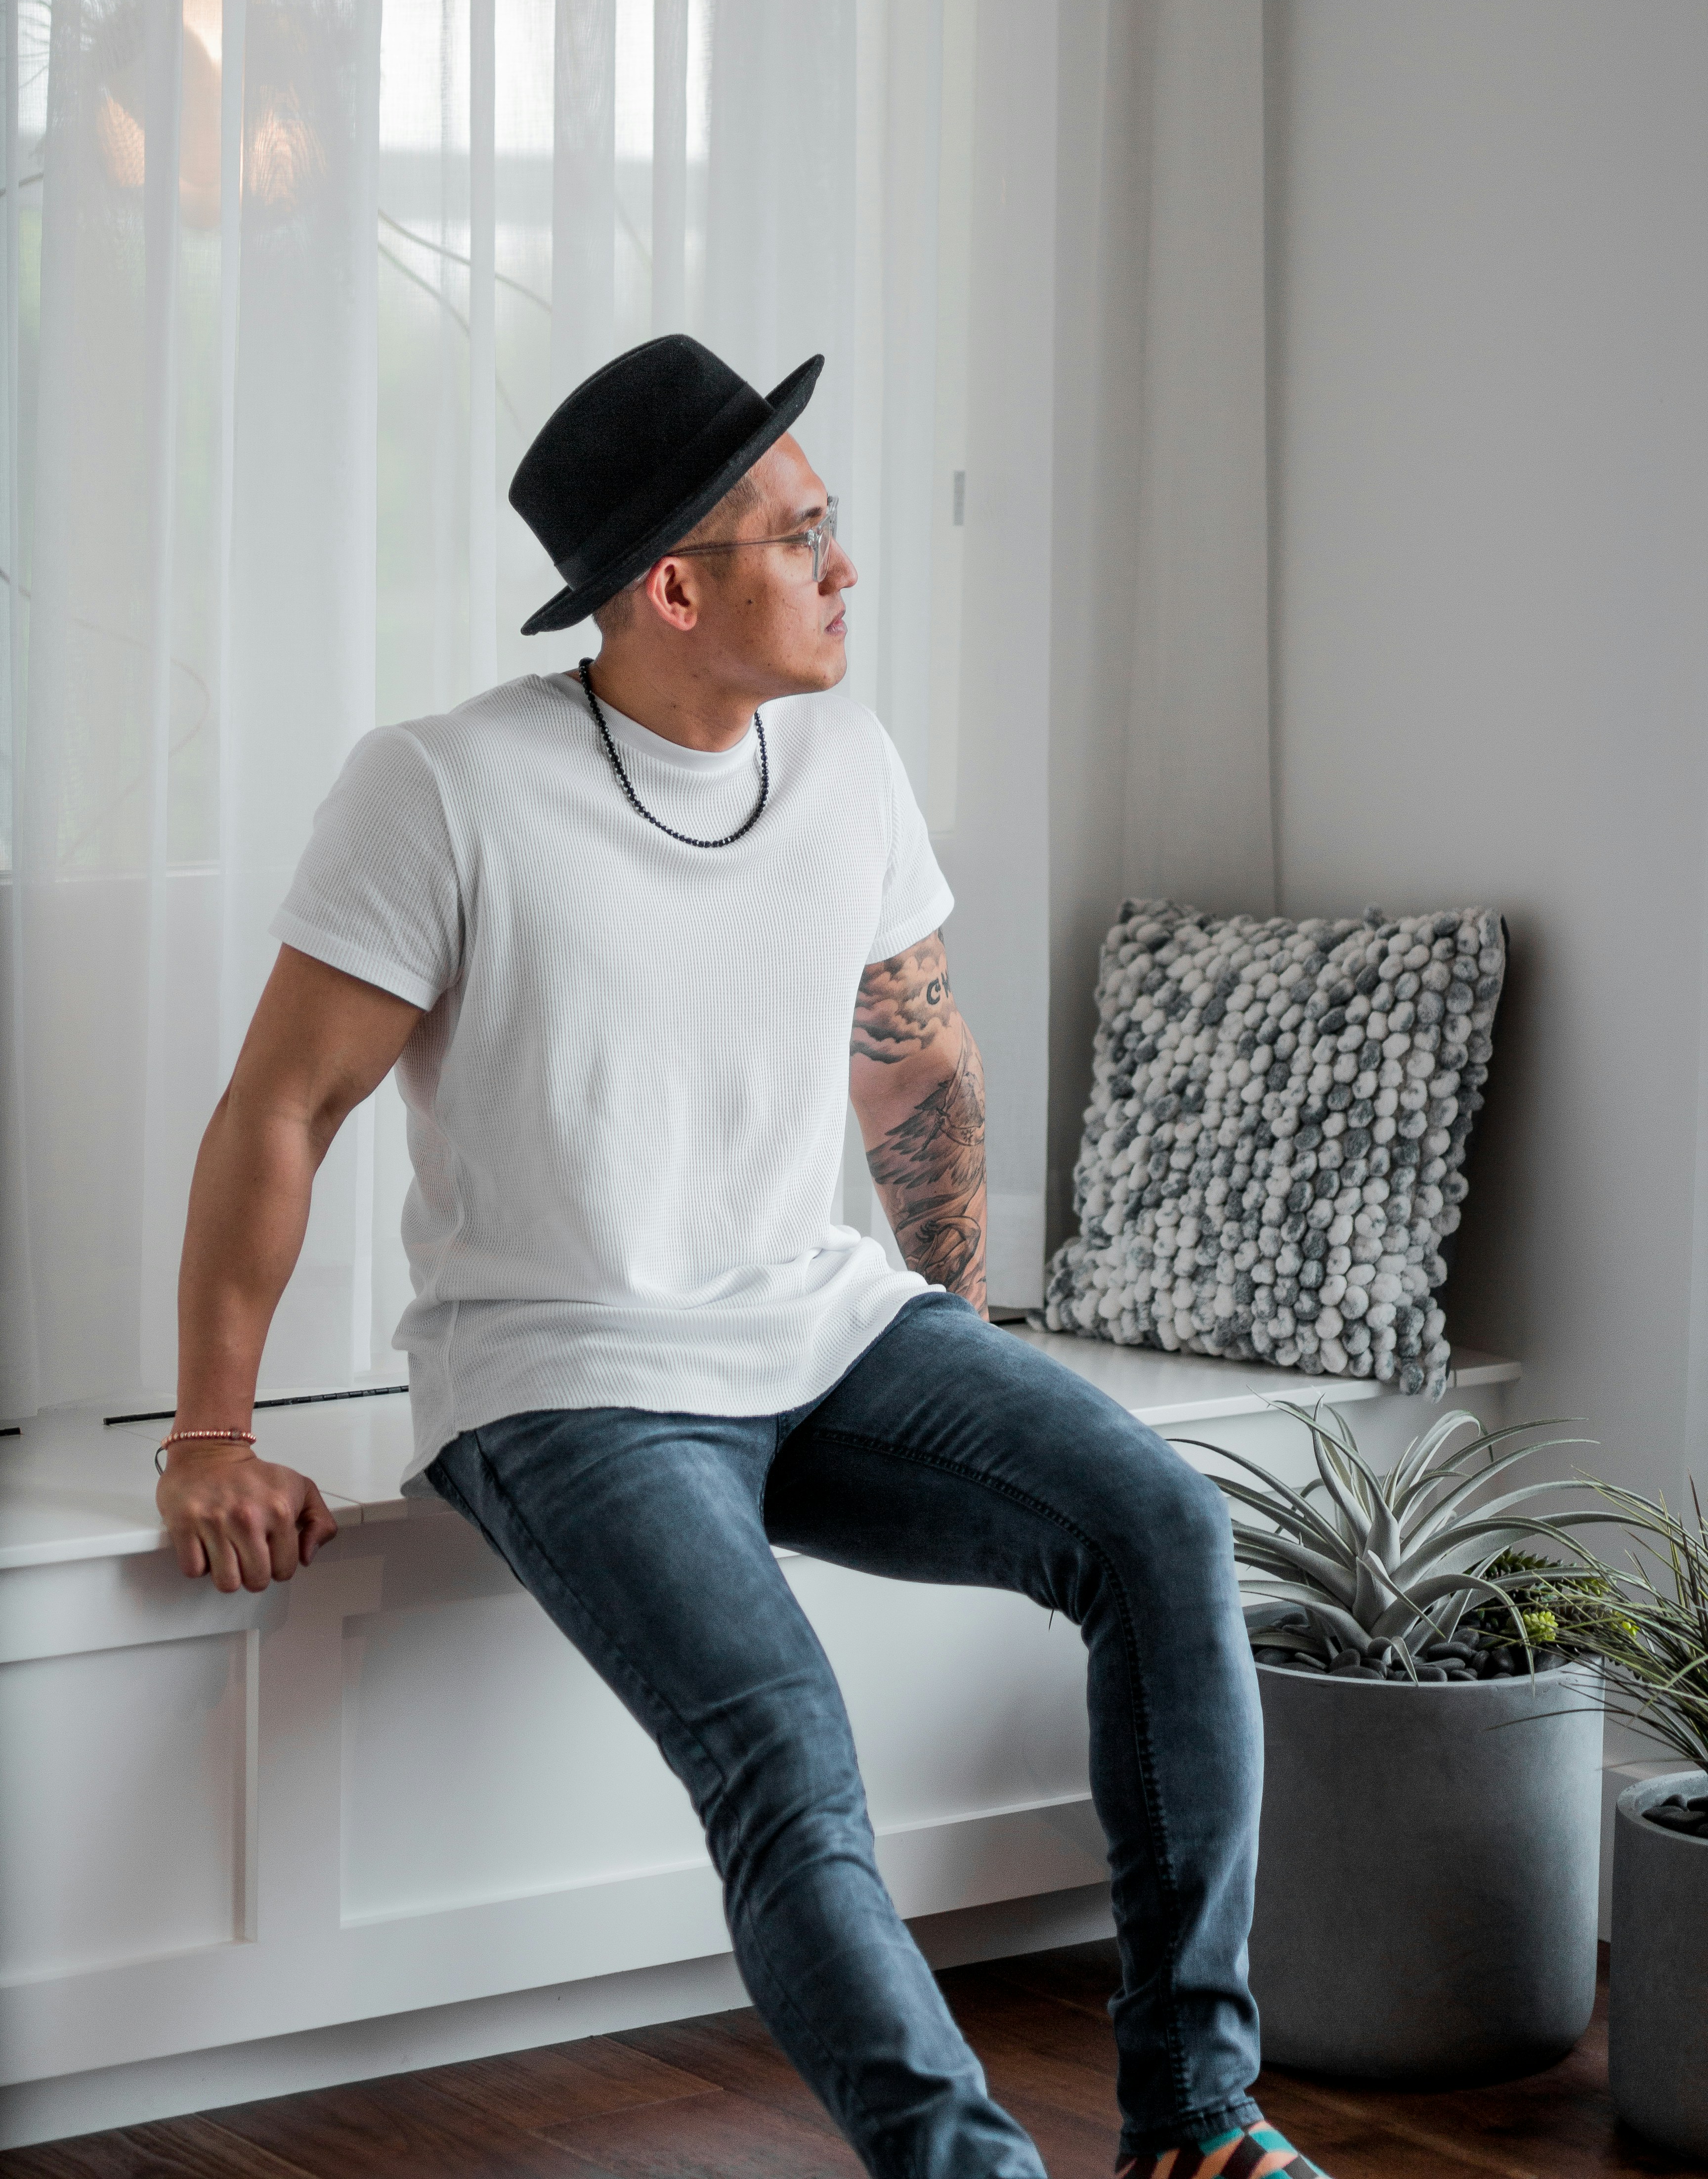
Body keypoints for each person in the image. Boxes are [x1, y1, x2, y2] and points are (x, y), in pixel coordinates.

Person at [156, 335, 1325, 2179]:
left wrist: (961, 1338)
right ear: (675, 590)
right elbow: (282, 1108)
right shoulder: (442, 787)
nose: (848, 566)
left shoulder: (846, 760)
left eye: (833, 518)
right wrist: (210, 1434)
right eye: (803, 536)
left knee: (1160, 1525)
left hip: (825, 1329)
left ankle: (1197, 2120)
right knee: (784, 1742)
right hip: (568, 1380)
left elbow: (915, 1061)